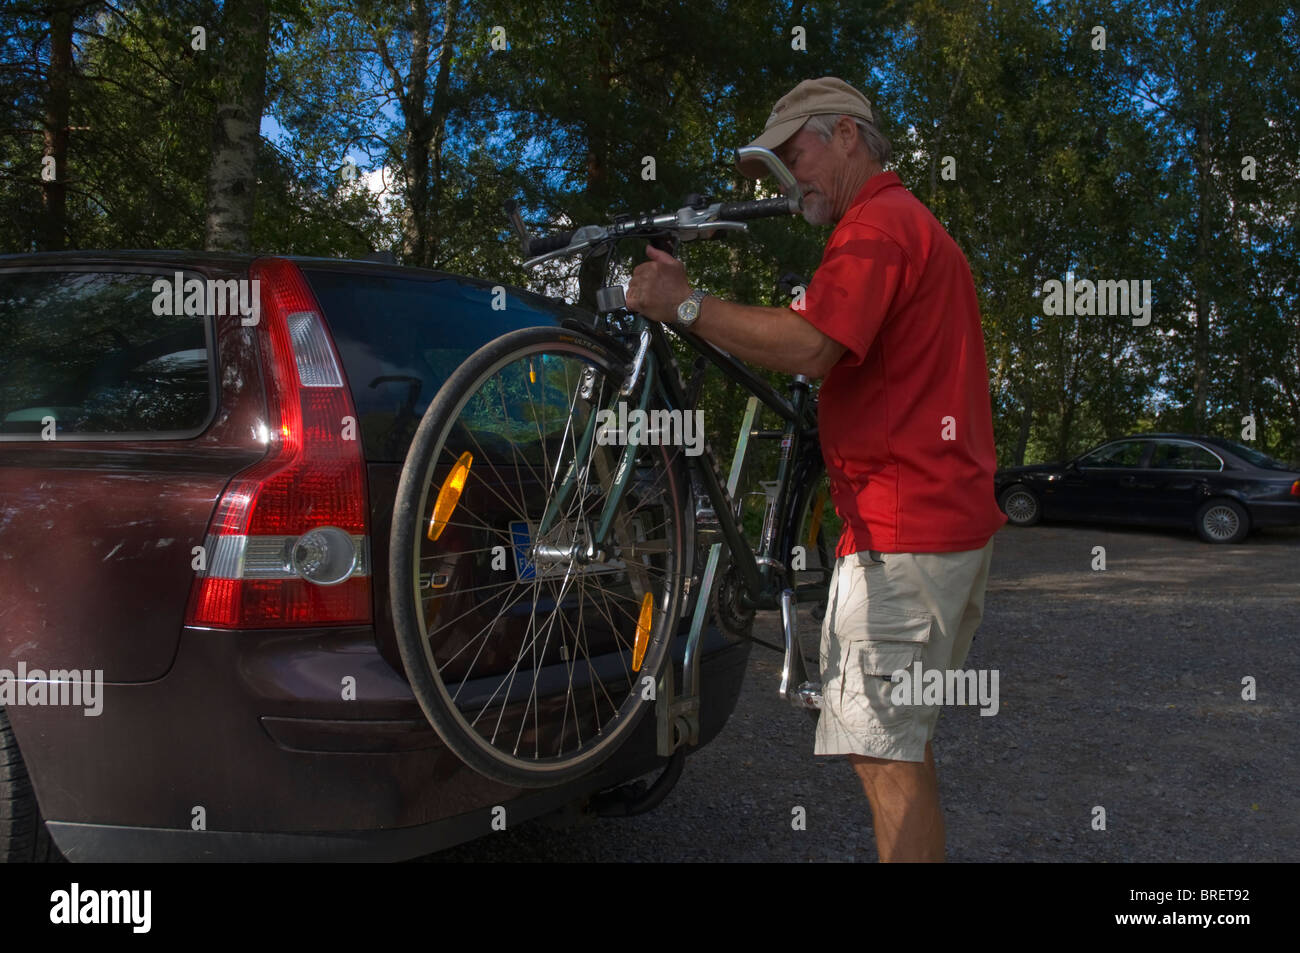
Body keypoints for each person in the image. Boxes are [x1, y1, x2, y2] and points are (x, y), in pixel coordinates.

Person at [623, 76, 1006, 862]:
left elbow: (809, 345)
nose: (789, 181)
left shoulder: (879, 226)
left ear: (847, 137)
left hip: (907, 535)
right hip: (929, 526)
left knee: (885, 758)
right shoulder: (903, 226)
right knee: (898, 748)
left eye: (794, 156)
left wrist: (687, 307)